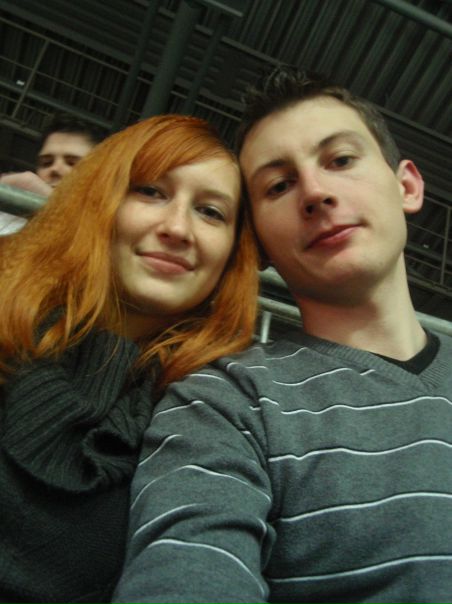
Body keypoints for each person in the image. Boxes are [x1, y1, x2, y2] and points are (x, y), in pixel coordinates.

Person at [113, 66, 452, 603]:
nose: (315, 192)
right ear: (260, 246)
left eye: (340, 160)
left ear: (406, 185)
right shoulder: (224, 402)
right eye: (279, 185)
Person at [0, 114, 259, 604]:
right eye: (151, 192)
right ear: (99, 197)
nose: (177, 228)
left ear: (232, 254)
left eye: (210, 212)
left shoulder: (215, 413)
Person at [0, 113, 105, 234]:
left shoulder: (109, 229)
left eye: (72, 163)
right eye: (46, 163)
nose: (55, 169)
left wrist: (53, 207)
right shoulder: (8, 214)